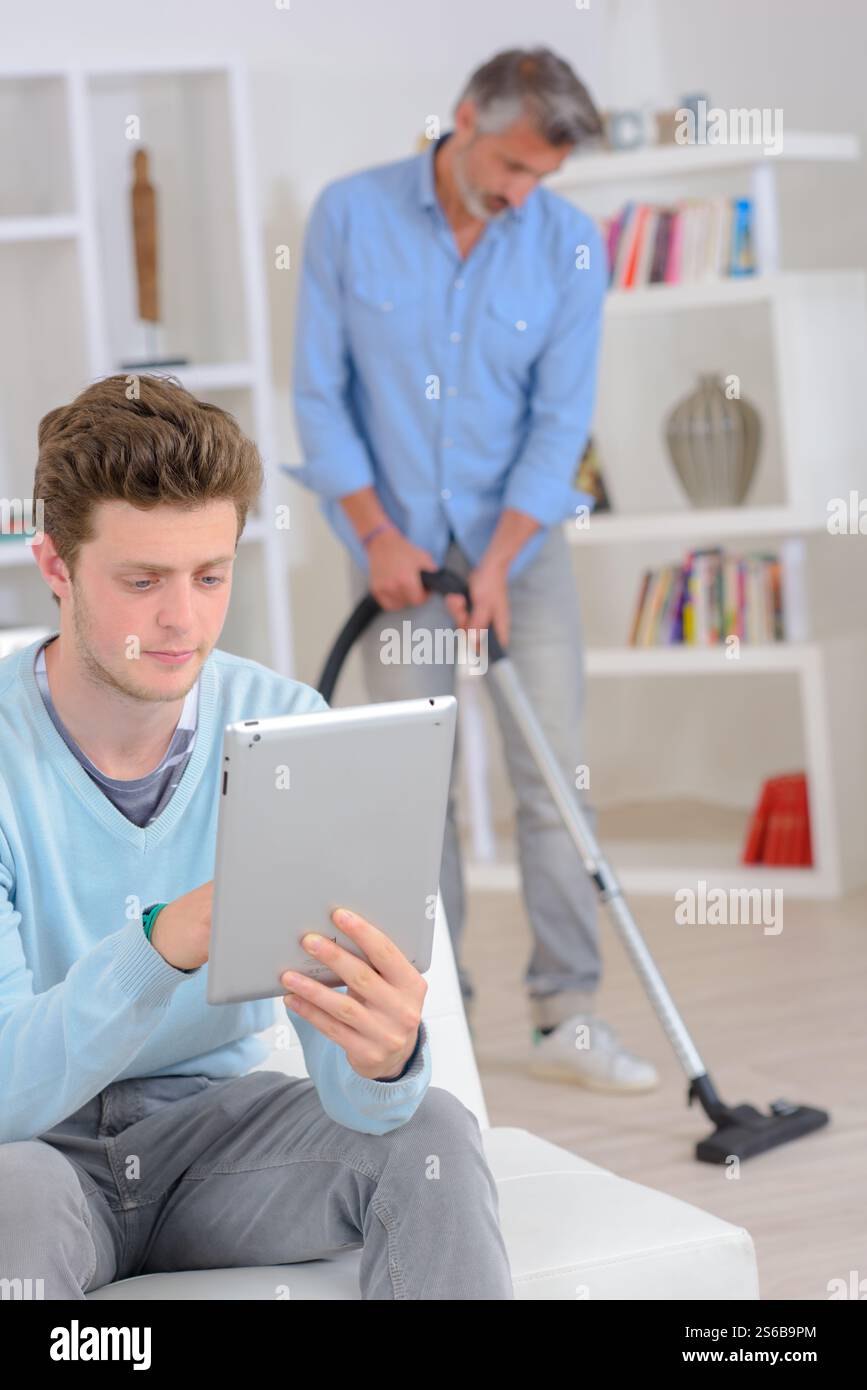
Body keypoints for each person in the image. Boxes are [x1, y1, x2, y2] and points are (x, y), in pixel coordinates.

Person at [0, 374, 514, 1300]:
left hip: (216, 1145)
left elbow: (355, 1098)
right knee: (12, 1197)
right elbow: (5, 1094)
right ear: (57, 568)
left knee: (430, 1132)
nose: (182, 621)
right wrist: (164, 941)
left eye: (210, 576)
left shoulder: (285, 721)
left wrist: (383, 1058)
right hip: (38, 1154)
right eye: (142, 581)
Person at [290, 47, 658, 1092]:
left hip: (520, 548)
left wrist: (499, 559)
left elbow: (560, 423)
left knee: (553, 778)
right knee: (412, 790)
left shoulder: (566, 246)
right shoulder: (350, 217)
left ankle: (568, 1014)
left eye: (540, 176)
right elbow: (320, 394)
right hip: (392, 551)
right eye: (509, 165)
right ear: (462, 119)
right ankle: (433, 1019)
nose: (518, 192)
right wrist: (375, 535)